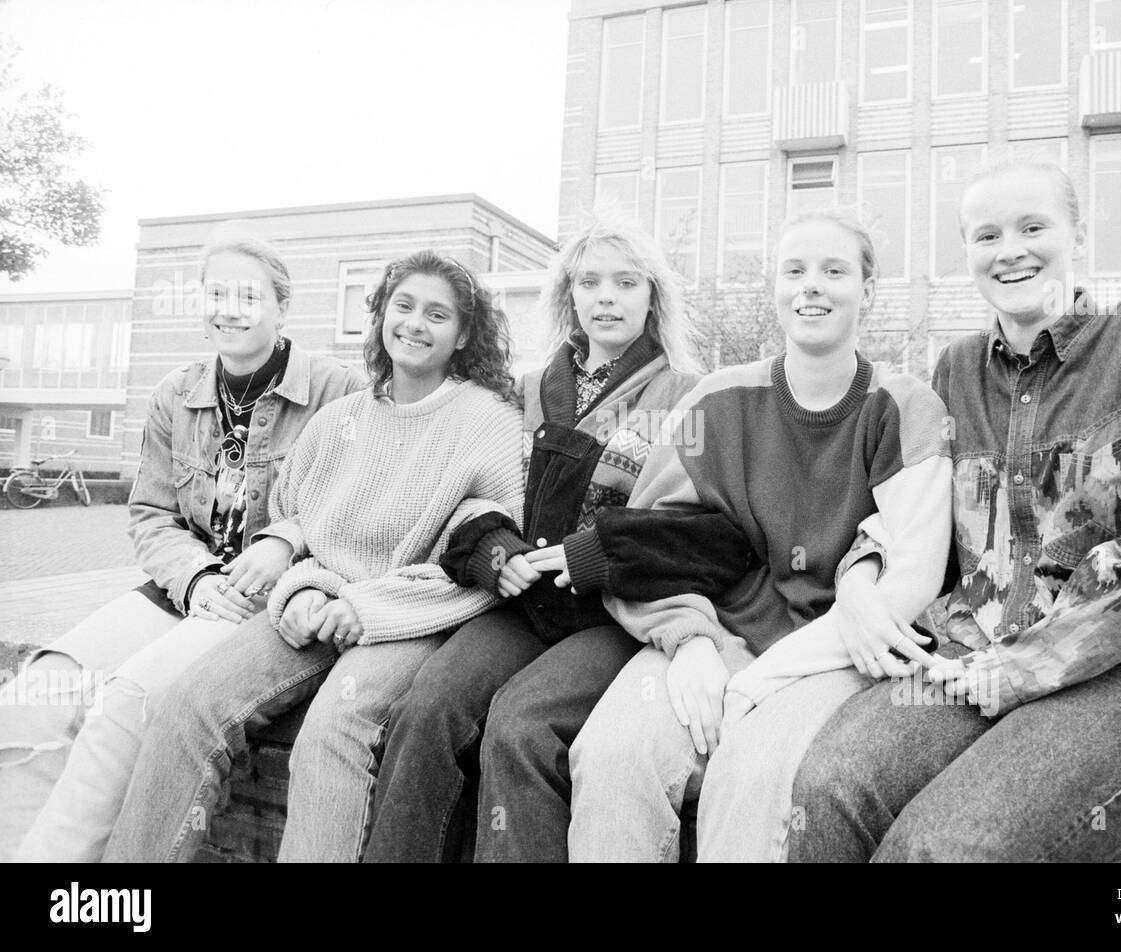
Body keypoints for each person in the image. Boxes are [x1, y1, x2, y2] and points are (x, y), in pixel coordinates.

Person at [787, 157, 1121, 863]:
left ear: (1076, 233)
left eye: (1032, 226)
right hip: (978, 650)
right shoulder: (955, 372)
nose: (1009, 249)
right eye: (986, 235)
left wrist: (1028, 667)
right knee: (829, 788)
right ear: (968, 254)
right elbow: (906, 510)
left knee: (945, 847)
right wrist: (859, 581)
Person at [100, 248, 525, 863]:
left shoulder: (487, 424)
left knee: (332, 730)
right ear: (379, 316)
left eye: (438, 314)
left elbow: (481, 558)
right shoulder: (341, 419)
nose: (415, 323)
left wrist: (363, 608)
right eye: (402, 306)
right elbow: (297, 524)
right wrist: (299, 593)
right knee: (189, 703)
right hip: (315, 607)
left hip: (408, 619)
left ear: (463, 335)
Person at [362, 215, 757, 862]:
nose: (606, 297)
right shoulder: (524, 391)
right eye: (589, 281)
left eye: (625, 282)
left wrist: (597, 553)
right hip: (520, 608)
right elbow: (470, 498)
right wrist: (496, 552)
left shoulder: (688, 398)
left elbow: (717, 536)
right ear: (568, 296)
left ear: (652, 297)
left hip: (614, 616)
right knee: (426, 710)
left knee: (520, 727)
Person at [564, 207, 953, 862]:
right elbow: (648, 549)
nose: (812, 286)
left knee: (753, 777)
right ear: (774, 288)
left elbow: (908, 581)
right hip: (718, 636)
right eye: (794, 270)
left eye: (834, 271)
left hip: (834, 655)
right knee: (610, 755)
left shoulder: (905, 406)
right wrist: (691, 643)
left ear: (868, 291)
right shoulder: (716, 400)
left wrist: (754, 684)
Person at [1, 225, 363, 863]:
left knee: (126, 701)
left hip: (262, 601)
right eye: (216, 292)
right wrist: (194, 578)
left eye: (247, 295)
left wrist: (283, 543)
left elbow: (348, 507)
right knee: (37, 691)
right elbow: (150, 514)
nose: (229, 308)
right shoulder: (178, 393)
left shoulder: (337, 391)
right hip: (186, 586)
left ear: (282, 306)